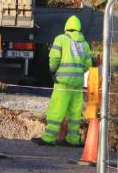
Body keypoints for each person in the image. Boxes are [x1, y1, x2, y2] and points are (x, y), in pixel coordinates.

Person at [33, 15, 92, 147]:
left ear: (67, 27)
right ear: (78, 28)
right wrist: (78, 72)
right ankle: (73, 140)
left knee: (56, 110)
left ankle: (48, 138)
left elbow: (54, 57)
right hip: (77, 84)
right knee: (75, 113)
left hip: (62, 83)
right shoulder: (85, 44)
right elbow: (88, 64)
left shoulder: (61, 39)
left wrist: (53, 71)